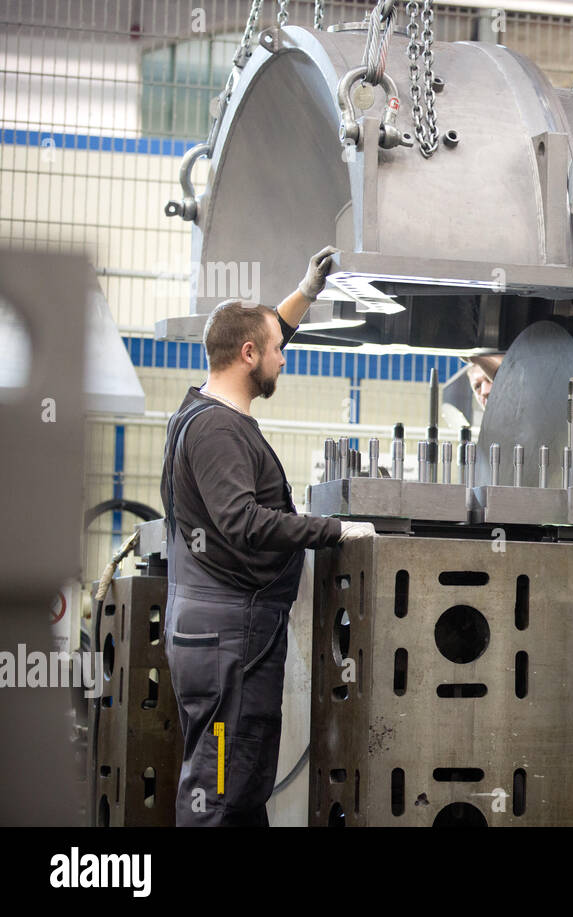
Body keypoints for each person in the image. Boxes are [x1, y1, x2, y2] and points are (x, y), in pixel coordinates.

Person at [160, 246, 375, 825]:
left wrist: (305, 291)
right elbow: (243, 522)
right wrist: (334, 530)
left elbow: (262, 330)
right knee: (222, 785)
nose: (285, 358)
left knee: (243, 783)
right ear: (248, 355)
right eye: (277, 351)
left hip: (226, 635)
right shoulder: (218, 433)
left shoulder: (202, 409)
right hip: (230, 640)